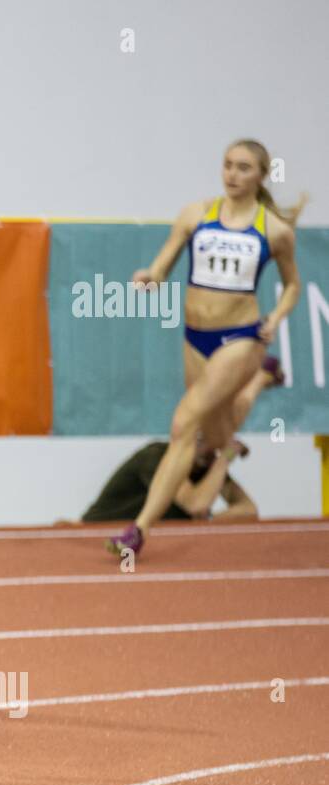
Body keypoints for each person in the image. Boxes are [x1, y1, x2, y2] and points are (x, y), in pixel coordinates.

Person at [107, 139, 303, 557]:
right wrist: (150, 276)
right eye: (228, 165)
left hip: (241, 338)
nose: (232, 174)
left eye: (243, 168)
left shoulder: (274, 230)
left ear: (261, 176)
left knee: (183, 424)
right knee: (213, 430)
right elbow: (163, 266)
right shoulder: (196, 215)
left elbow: (292, 286)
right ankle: (241, 420)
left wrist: (275, 318)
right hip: (196, 336)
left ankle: (138, 530)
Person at [84, 438, 255, 524]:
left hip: (152, 543)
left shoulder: (208, 466)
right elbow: (196, 504)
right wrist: (225, 458)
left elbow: (249, 510)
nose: (210, 448)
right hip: (97, 535)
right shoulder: (157, 457)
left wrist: (208, 519)